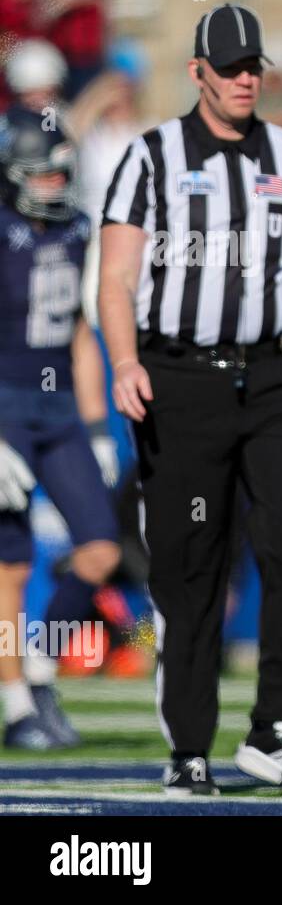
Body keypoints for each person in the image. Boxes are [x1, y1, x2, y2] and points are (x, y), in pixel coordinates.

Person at [96, 3, 282, 796]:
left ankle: (275, 727)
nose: (247, 78)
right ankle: (189, 744)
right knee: (189, 567)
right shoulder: (151, 158)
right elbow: (114, 276)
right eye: (231, 66)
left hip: (277, 375)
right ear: (196, 72)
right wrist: (121, 360)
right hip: (179, 377)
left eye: (255, 66)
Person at [0, 106, 119, 749]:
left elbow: (78, 331)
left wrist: (98, 426)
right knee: (9, 570)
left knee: (100, 548)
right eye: (42, 175)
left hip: (59, 409)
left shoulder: (75, 228)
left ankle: (41, 664)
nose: (54, 185)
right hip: (4, 406)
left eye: (59, 174)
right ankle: (17, 703)